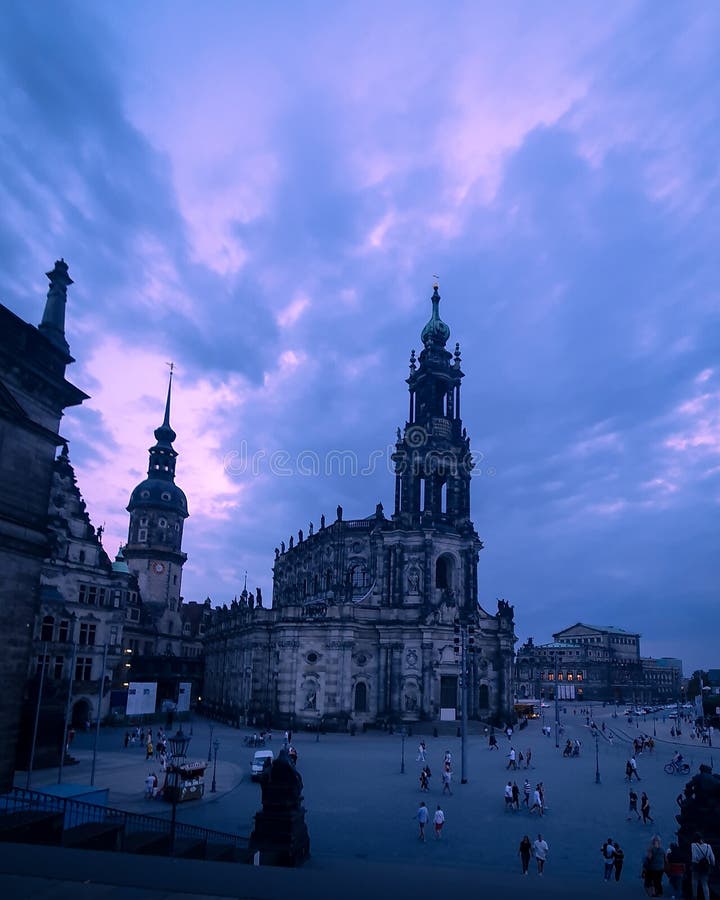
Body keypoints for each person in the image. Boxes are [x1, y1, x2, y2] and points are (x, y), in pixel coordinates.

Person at [691, 832, 716, 900]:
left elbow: (694, 857)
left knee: (694, 881)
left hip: (696, 866)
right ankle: (707, 898)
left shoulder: (693, 845)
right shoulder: (708, 846)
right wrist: (712, 865)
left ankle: (695, 897)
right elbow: (712, 859)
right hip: (705, 867)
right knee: (704, 883)